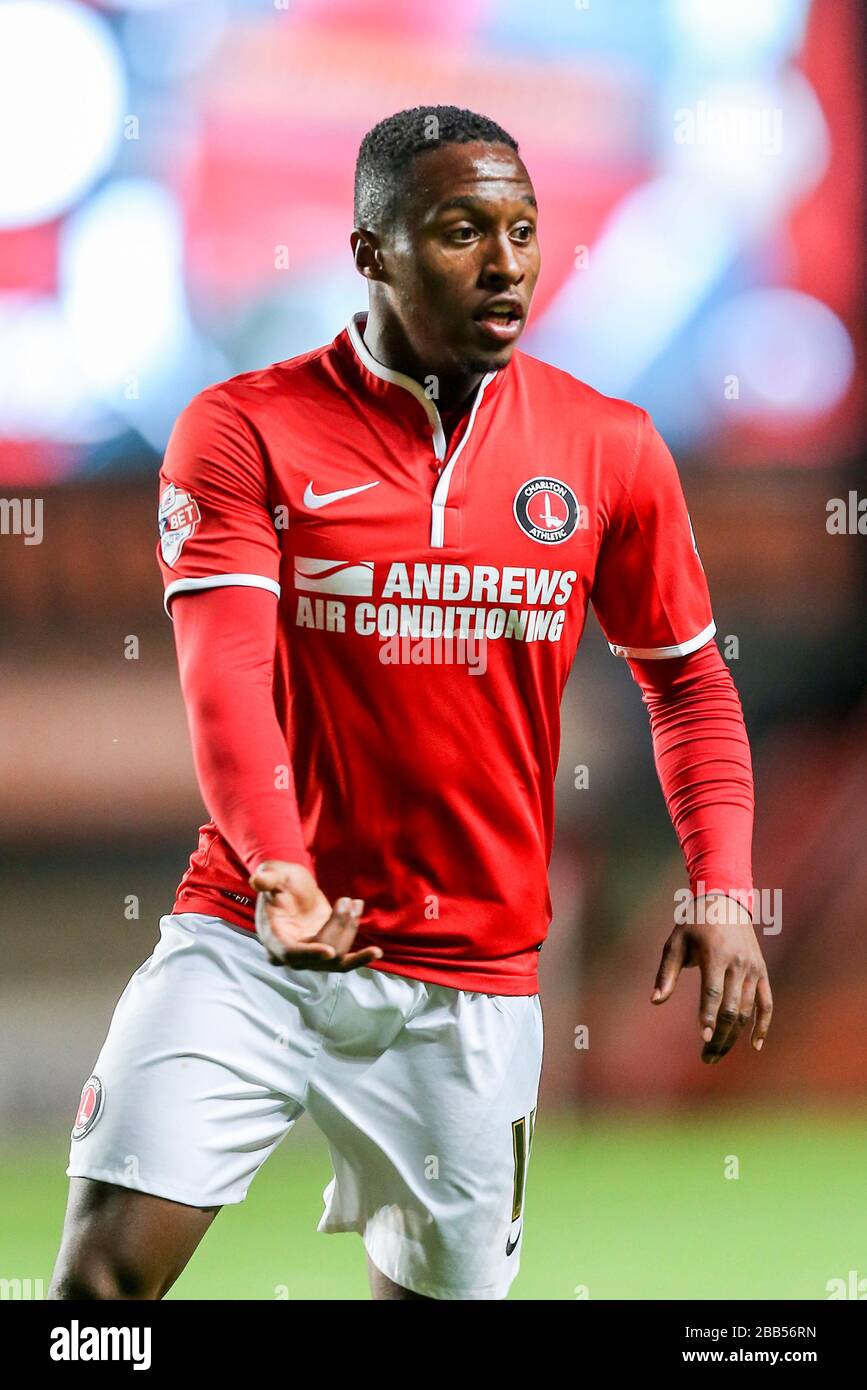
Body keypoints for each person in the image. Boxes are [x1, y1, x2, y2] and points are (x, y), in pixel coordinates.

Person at [50, 105, 770, 1302]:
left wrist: (727, 883)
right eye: (459, 231)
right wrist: (278, 867)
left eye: (523, 230)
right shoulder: (245, 431)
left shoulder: (610, 448)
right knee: (95, 1297)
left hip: (473, 983)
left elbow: (689, 682)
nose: (505, 264)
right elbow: (224, 676)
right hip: (250, 945)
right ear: (371, 252)